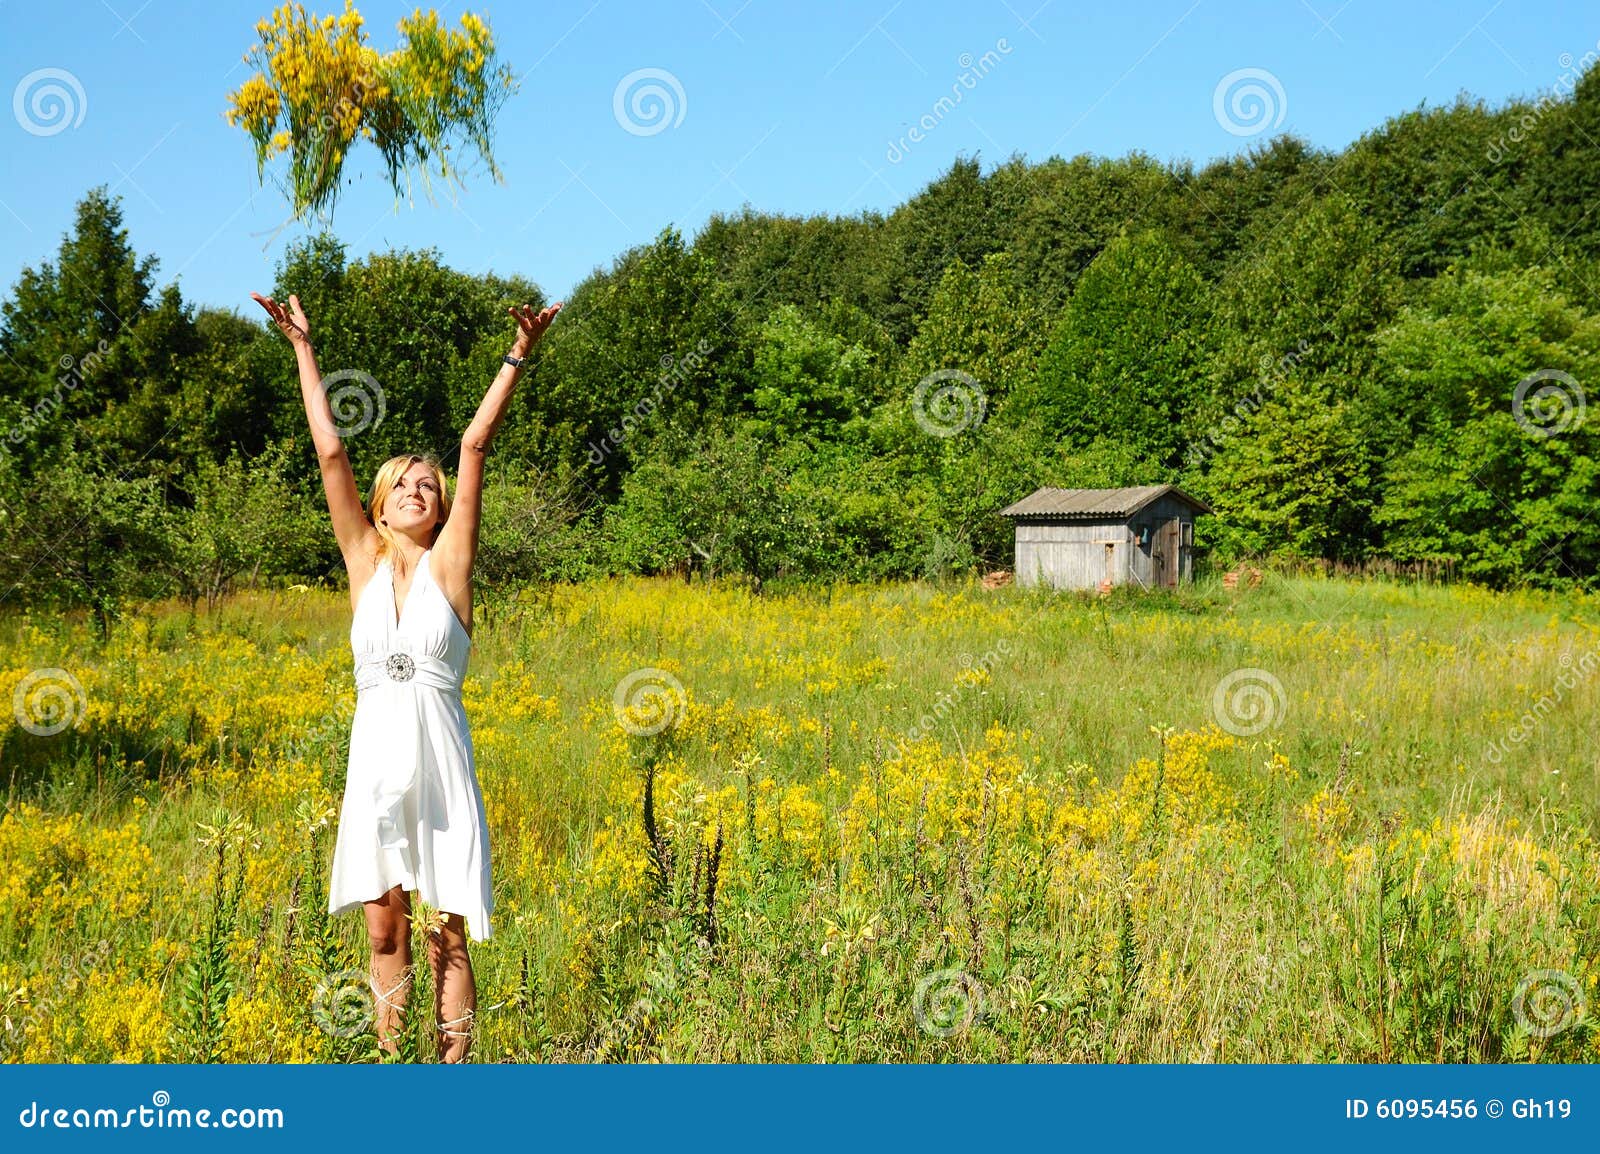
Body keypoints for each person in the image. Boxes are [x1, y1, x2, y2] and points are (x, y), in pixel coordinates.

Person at [250, 288, 561, 1062]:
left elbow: (474, 445)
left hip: (439, 761)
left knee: (444, 928)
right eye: (404, 485)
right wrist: (302, 347)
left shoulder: (452, 567)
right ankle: (391, 1072)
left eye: (430, 485)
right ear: (381, 506)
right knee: (385, 922)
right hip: (376, 761)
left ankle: (454, 1081)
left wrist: (517, 356)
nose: (420, 490)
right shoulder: (362, 562)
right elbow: (329, 453)